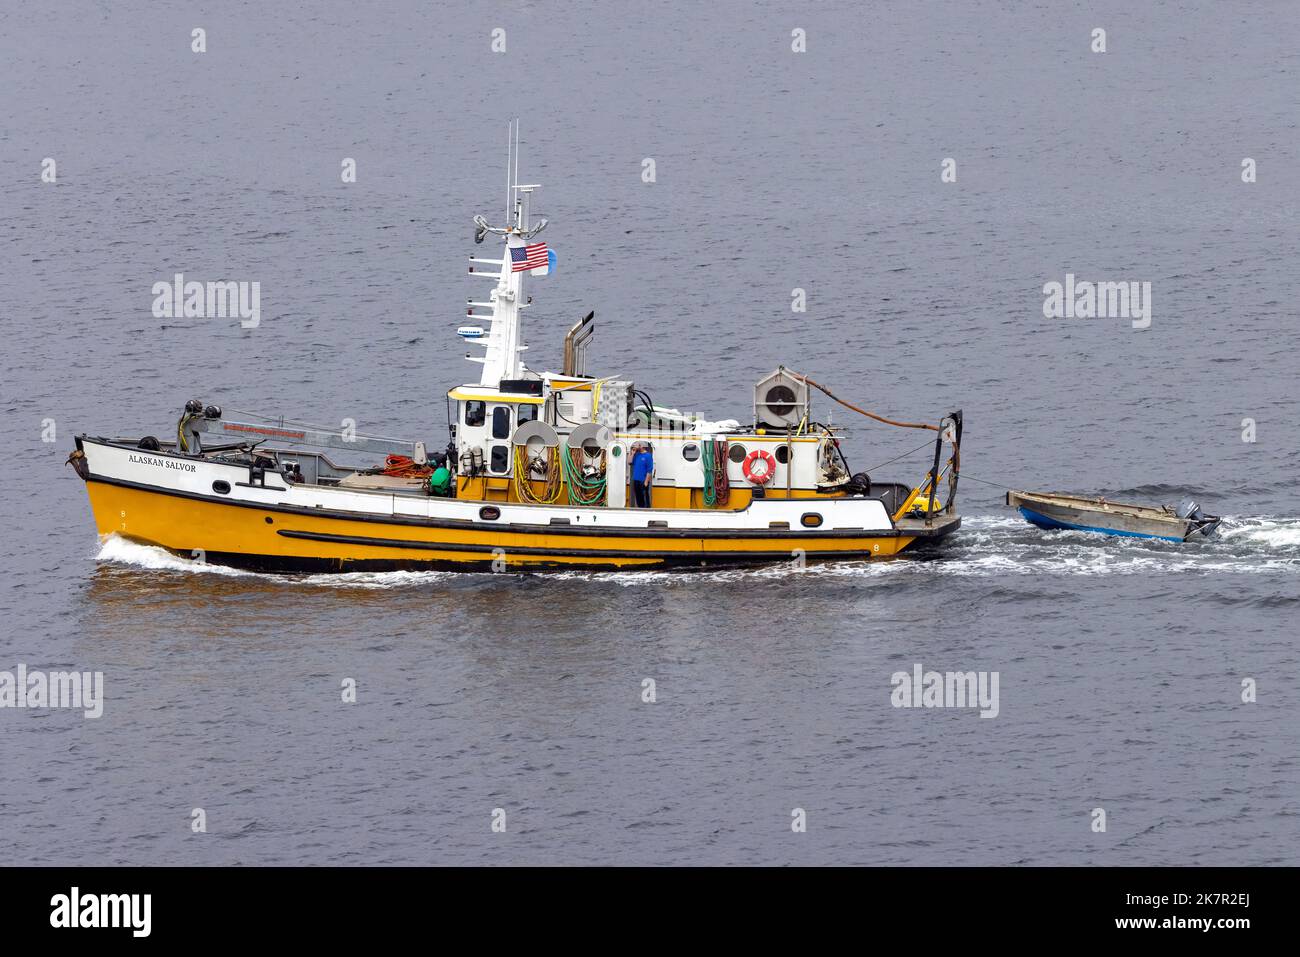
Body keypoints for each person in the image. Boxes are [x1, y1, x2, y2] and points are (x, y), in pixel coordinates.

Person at [630, 442, 654, 508]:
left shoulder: (648, 456)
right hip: (636, 480)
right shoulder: (637, 455)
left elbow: (649, 470)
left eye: (637, 445)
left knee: (645, 498)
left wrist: (646, 482)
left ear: (641, 446)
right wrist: (632, 454)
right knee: (638, 498)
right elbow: (629, 462)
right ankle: (640, 511)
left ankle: (646, 511)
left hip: (643, 481)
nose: (635, 446)